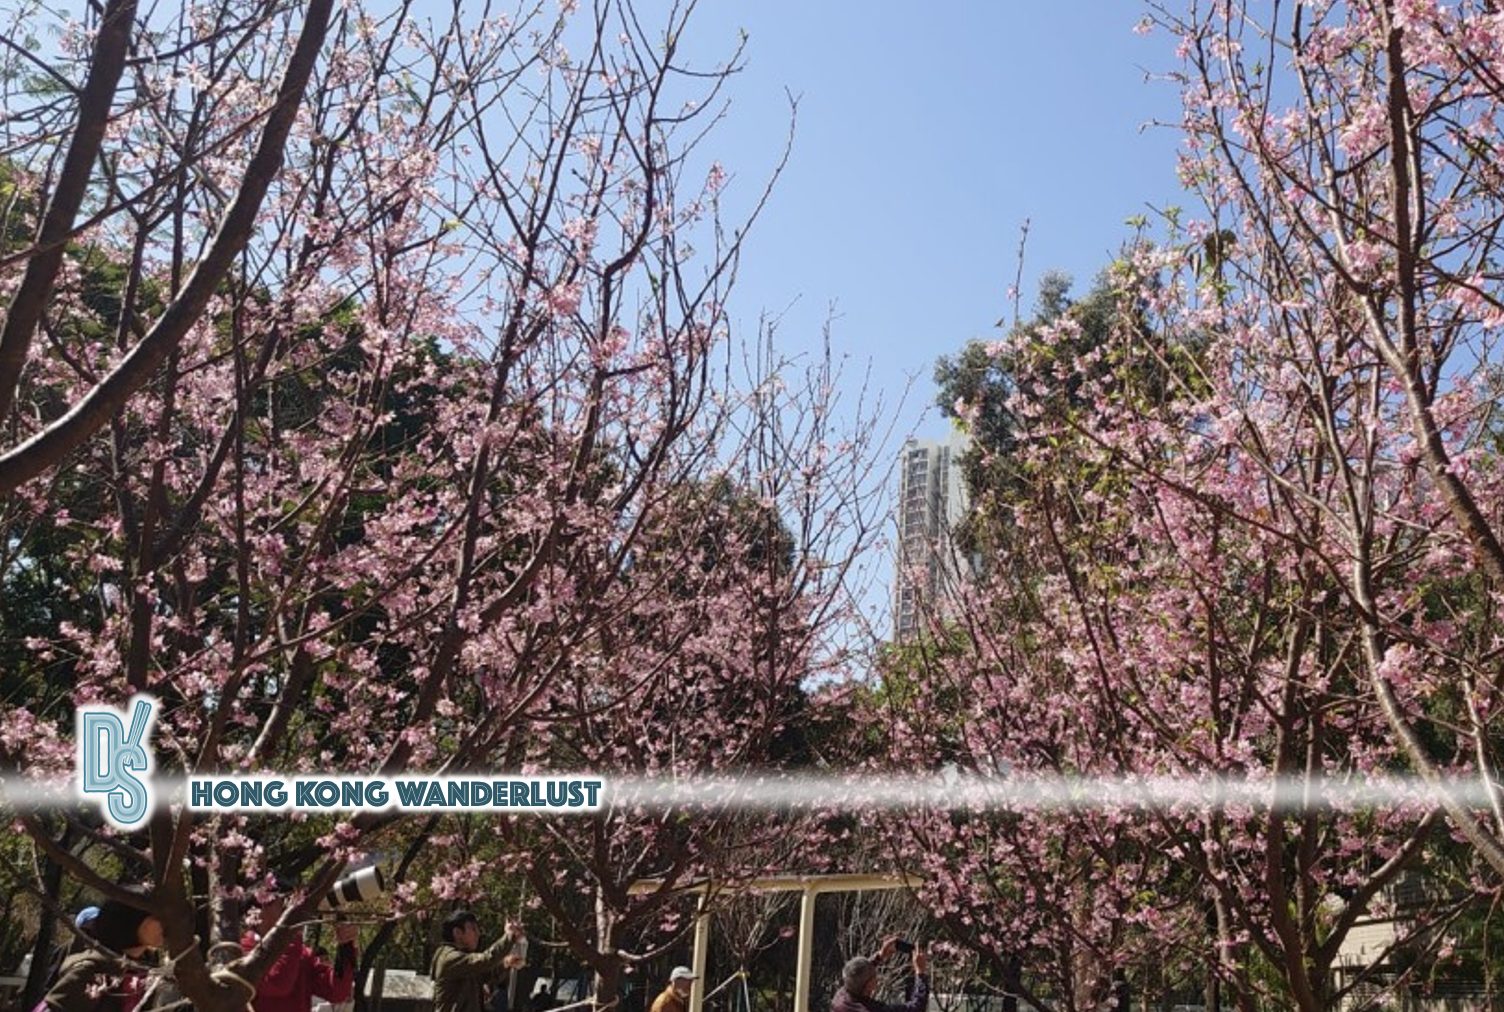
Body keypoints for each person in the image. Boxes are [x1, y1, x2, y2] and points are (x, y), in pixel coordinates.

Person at [240, 879, 360, 1012]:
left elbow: (337, 991)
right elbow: (278, 984)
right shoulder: (241, 953)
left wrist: (346, 945)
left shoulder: (302, 954)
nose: (288, 907)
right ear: (259, 909)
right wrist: (292, 930)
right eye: (283, 900)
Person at [41, 893, 164, 1012]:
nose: (166, 923)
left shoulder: (146, 971)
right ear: (132, 919)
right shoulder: (92, 970)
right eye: (158, 916)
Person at [430, 911, 526, 1012]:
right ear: (457, 933)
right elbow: (486, 959)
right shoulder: (450, 958)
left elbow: (486, 974)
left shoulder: (463, 959)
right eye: (473, 929)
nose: (478, 934)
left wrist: (506, 963)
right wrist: (509, 936)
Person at [830, 937, 929, 1012]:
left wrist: (880, 955)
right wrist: (920, 973)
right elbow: (916, 1008)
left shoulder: (840, 998)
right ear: (869, 985)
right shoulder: (872, 1010)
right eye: (874, 975)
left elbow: (856, 973)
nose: (877, 977)